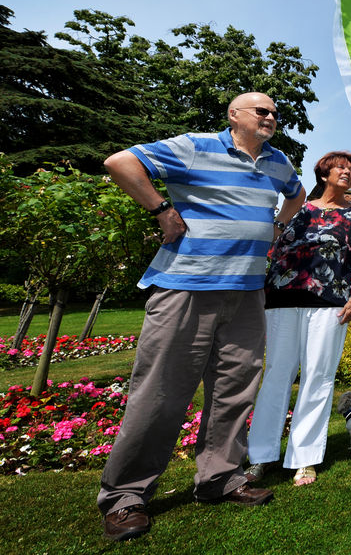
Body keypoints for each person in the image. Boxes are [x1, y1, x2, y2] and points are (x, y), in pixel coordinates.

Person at [97, 93, 305, 542]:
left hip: (247, 292)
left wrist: (279, 226)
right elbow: (120, 163)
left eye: (274, 113)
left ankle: (220, 478)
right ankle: (125, 497)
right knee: (160, 393)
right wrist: (162, 210)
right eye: (260, 111)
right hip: (186, 287)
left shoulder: (277, 161)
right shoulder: (195, 146)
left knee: (234, 391)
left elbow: (297, 194)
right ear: (234, 116)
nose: (270, 117)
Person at [245, 150, 351, 487]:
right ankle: (260, 456)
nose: (347, 172)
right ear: (324, 174)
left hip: (330, 301)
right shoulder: (297, 210)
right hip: (283, 298)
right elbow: (273, 248)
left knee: (318, 375)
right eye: (340, 168)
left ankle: (305, 459)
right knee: (276, 374)